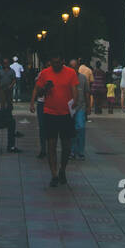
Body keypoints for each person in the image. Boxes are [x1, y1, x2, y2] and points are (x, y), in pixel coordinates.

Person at [31, 53, 78, 187]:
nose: (55, 65)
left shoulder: (70, 73)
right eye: (53, 63)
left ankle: (62, 169)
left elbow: (75, 89)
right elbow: (39, 92)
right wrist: (45, 88)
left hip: (65, 114)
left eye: (58, 63)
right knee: (51, 144)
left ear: (62, 61)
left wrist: (75, 102)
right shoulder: (45, 73)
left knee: (66, 145)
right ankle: (54, 174)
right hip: (50, 113)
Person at [70, 57, 92, 160]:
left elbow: (87, 93)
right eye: (71, 67)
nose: (73, 69)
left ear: (78, 67)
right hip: (70, 108)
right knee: (71, 130)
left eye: (75, 67)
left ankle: (80, 151)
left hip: (81, 107)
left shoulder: (83, 78)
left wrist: (88, 107)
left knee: (81, 128)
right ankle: (72, 150)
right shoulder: (67, 78)